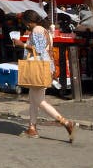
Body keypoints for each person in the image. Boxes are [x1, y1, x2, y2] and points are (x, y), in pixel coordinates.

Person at [11, 10, 74, 141]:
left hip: (39, 68)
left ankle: (66, 122)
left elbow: (38, 50)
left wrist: (21, 44)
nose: (25, 26)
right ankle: (32, 128)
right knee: (33, 100)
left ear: (29, 22)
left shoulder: (37, 31)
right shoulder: (43, 30)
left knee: (39, 101)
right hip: (44, 67)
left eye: (25, 23)